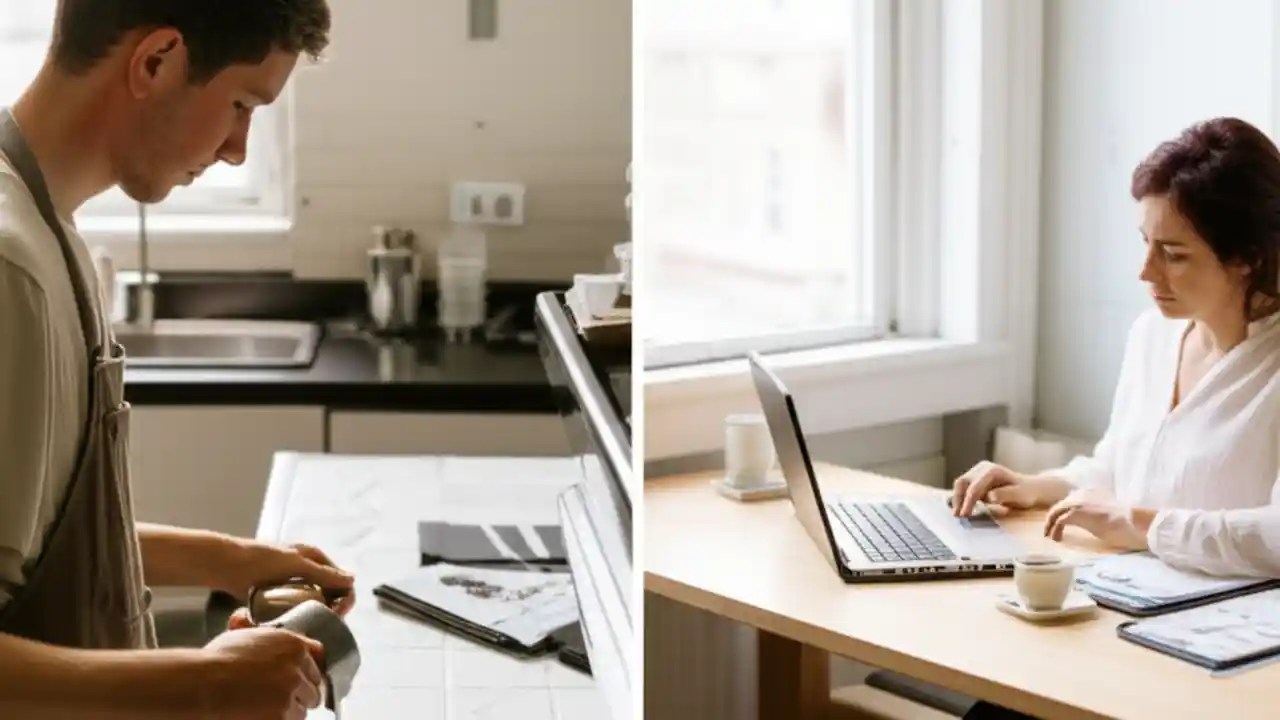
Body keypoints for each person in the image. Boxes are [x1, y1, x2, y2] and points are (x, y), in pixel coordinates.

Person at [0, 2, 352, 718]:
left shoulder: (49, 231)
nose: (237, 150)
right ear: (155, 62)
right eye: (241, 105)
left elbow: (37, 544)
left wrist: (230, 560)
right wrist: (200, 680)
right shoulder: (10, 268)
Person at [952, 116, 1280, 720]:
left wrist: (1142, 524)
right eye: (1146, 243)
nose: (1146, 272)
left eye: (1173, 254)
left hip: (1224, 665)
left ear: (1247, 260)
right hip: (1124, 619)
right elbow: (1118, 464)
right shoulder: (1155, 335)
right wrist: (1039, 487)